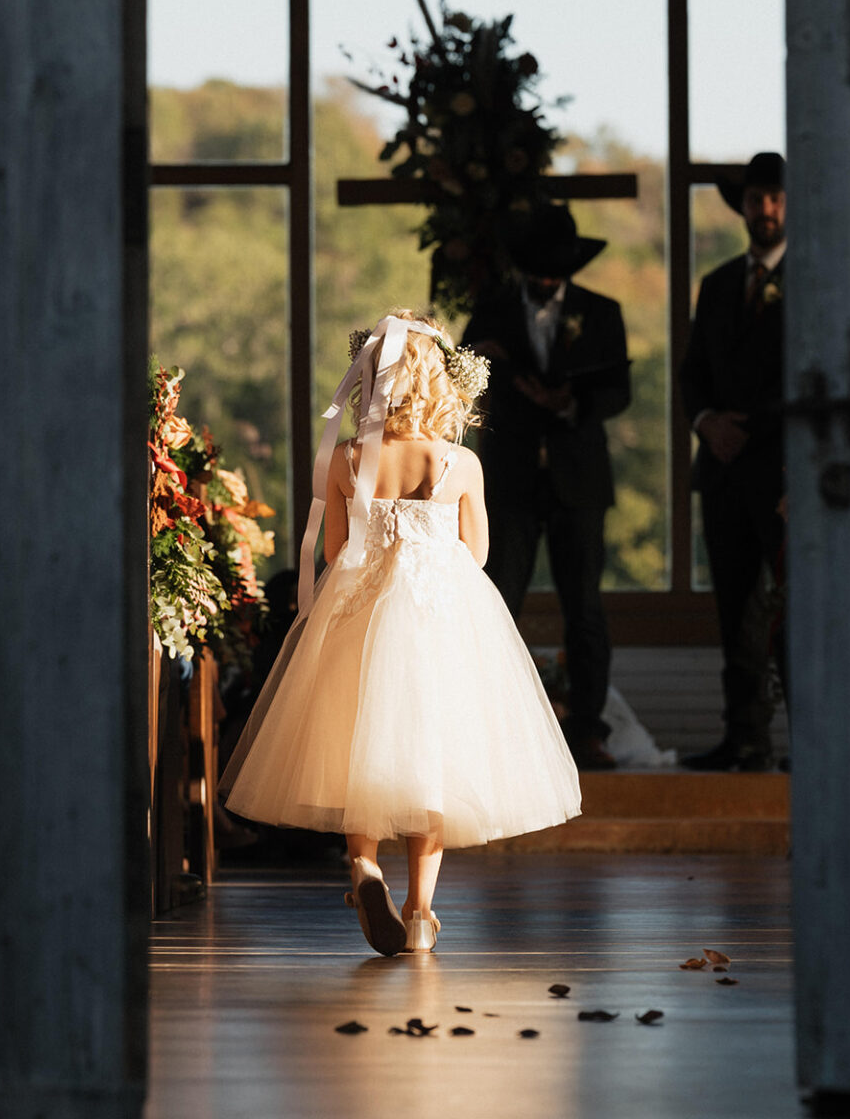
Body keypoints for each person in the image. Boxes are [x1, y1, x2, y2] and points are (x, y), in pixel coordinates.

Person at [219, 311, 581, 956]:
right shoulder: (460, 463)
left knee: (359, 746)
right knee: (433, 759)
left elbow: (334, 549)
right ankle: (419, 912)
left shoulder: (349, 457)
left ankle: (363, 867)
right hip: (440, 616)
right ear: (440, 382)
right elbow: (479, 552)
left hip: (358, 612)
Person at [463, 205, 631, 771]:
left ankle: (588, 731)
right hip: (509, 479)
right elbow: (461, 378)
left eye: (554, 268)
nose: (545, 278)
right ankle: (490, 726)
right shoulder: (491, 309)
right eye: (536, 268)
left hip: (577, 479)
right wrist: (496, 369)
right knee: (498, 601)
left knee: (583, 606)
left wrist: (572, 404)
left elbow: (618, 389)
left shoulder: (601, 313)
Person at [678, 151, 787, 772]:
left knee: (791, 609)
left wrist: (753, 427)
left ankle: (807, 743)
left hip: (780, 473)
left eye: (773, 198)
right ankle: (742, 738)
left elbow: (811, 374)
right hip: (721, 474)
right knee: (733, 606)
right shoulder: (718, 284)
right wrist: (706, 424)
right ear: (741, 205)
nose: (764, 209)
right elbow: (693, 374)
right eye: (754, 198)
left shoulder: (812, 278)